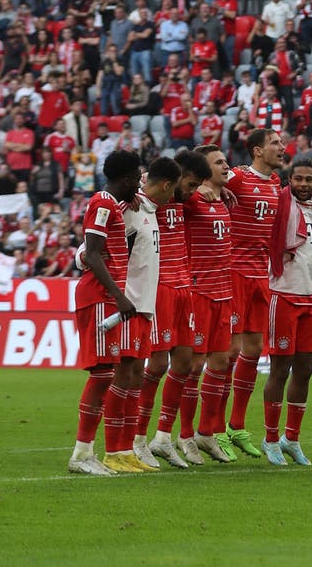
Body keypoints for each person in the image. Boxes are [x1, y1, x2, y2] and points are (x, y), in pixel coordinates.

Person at [67, 150, 144, 476]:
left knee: (105, 374)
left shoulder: (112, 204)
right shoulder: (102, 204)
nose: (139, 185)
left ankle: (85, 452)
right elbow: (94, 254)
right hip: (98, 296)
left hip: (105, 297)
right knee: (101, 375)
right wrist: (118, 296)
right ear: (125, 180)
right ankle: (81, 454)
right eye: (136, 179)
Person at [134, 151, 211, 470]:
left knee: (185, 363)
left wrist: (218, 191)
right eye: (190, 184)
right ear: (175, 178)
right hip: (160, 288)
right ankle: (138, 439)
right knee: (157, 363)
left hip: (184, 288)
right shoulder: (149, 198)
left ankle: (163, 438)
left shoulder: (182, 201)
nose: (192, 192)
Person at [260, 158, 312, 467]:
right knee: (280, 370)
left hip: (311, 298)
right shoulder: (279, 204)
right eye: (298, 179)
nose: (303, 184)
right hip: (283, 296)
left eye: (309, 179)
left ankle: (291, 438)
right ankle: (270, 439)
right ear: (289, 180)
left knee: (304, 370)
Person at [111, 157, 183, 472]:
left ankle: (126, 449)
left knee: (135, 378)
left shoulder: (149, 210)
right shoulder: (129, 209)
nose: (175, 197)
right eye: (174, 189)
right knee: (121, 378)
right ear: (166, 185)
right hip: (128, 306)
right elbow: (96, 249)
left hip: (144, 308)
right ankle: (112, 450)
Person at [221, 128, 285, 459]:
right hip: (233, 273)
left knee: (255, 349)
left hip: (262, 276)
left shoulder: (275, 183)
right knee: (228, 352)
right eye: (275, 143)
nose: (282, 147)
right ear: (258, 150)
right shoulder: (236, 177)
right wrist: (213, 188)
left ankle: (236, 425)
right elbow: (205, 185)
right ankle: (213, 429)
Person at [185, 146, 238, 464]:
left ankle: (205, 433)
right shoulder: (192, 200)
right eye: (218, 162)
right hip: (199, 293)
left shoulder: (224, 199)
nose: (226, 165)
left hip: (224, 294)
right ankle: (185, 436)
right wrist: (195, 190)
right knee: (193, 367)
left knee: (220, 363)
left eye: (225, 161)